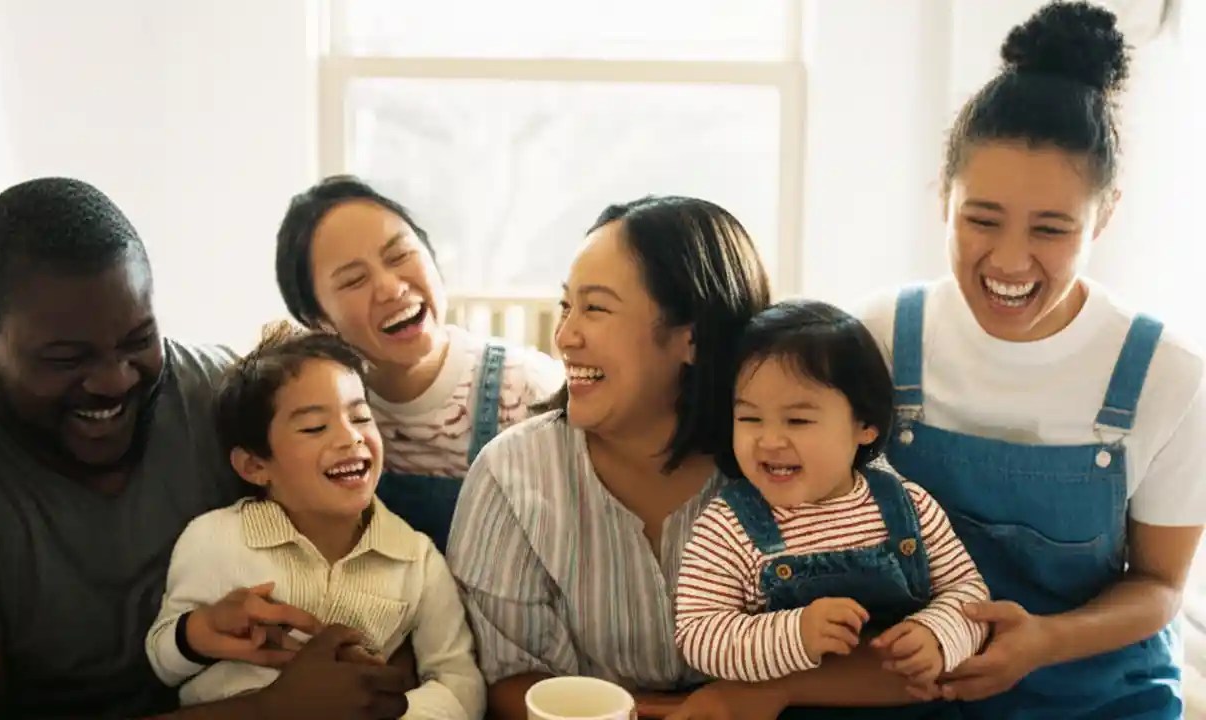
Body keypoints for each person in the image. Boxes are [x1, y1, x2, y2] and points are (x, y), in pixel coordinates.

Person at [0, 177, 413, 719]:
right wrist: (269, 710)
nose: (113, 381)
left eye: (138, 340)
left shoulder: (216, 396)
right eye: (67, 358)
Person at [851, 2, 1206, 717]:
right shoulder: (881, 336)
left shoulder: (1169, 374)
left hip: (1096, 690)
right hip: (910, 681)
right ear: (941, 199)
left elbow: (1161, 586)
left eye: (1052, 229)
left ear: (1104, 216)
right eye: (981, 219)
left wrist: (1043, 641)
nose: (1009, 260)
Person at [445, 195, 772, 720]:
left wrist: (755, 698)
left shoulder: (790, 458)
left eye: (595, 308)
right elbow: (506, 681)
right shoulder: (511, 477)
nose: (565, 335)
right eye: (566, 306)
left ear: (691, 337)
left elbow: (900, 643)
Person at [146, 323, 483, 717]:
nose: (350, 438)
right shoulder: (211, 539)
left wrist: (394, 710)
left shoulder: (419, 561)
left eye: (360, 417)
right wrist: (196, 633)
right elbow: (162, 663)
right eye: (314, 427)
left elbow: (460, 684)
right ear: (255, 465)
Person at [673, 300, 988, 706]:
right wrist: (796, 634)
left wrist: (937, 635)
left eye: (798, 421)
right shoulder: (727, 525)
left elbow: (970, 592)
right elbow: (698, 635)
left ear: (866, 425)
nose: (768, 440)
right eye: (749, 418)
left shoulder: (908, 505)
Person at [275, 176, 563, 552]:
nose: (391, 288)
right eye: (354, 280)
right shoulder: (319, 416)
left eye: (399, 256)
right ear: (317, 321)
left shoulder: (529, 389)